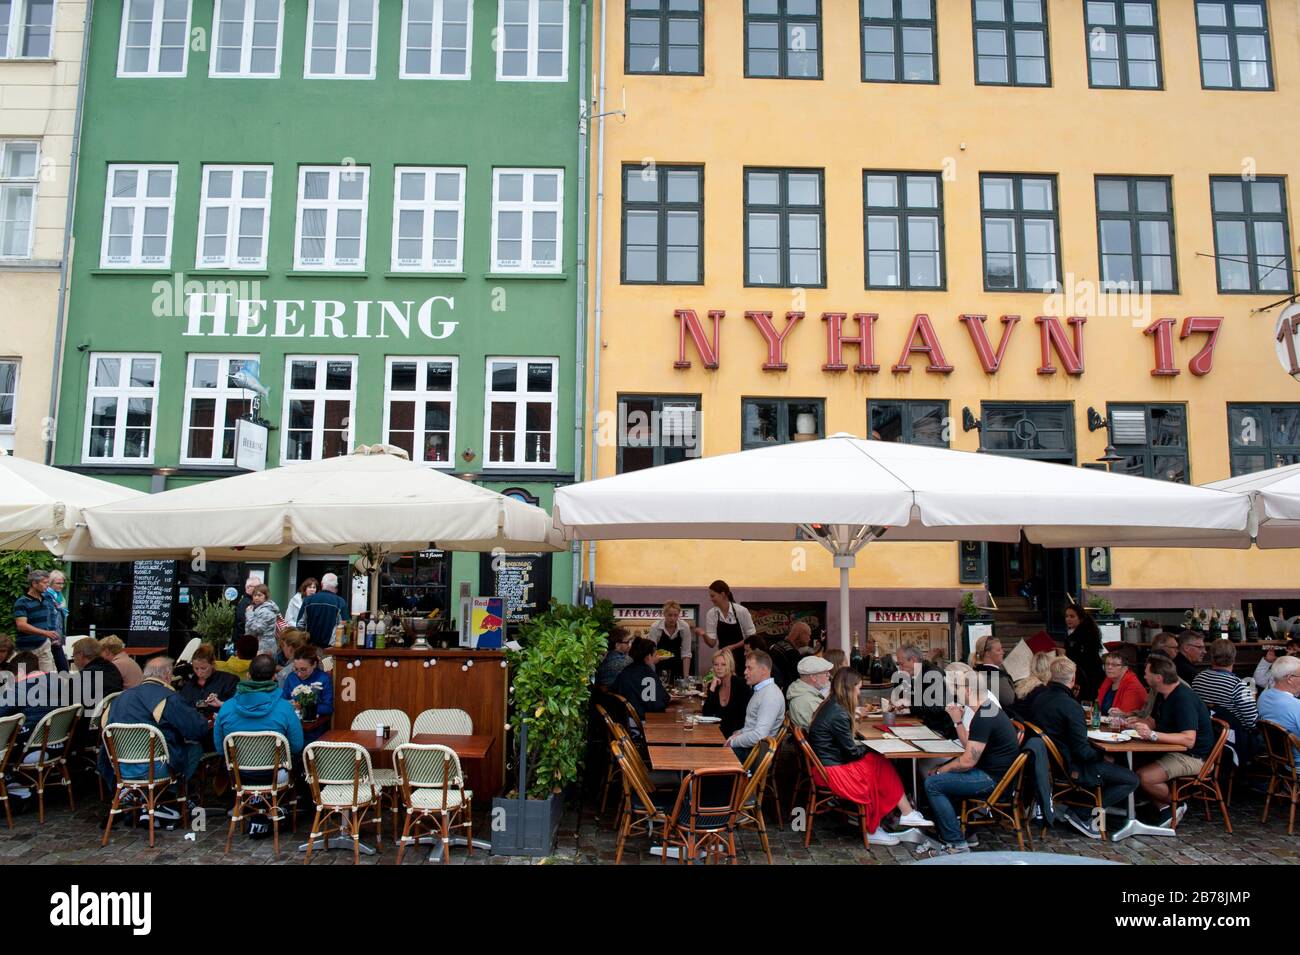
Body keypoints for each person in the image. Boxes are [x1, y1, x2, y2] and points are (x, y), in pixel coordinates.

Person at [807, 667, 932, 844]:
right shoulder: (839, 713)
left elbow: (847, 748)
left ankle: (901, 815)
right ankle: (881, 824)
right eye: (858, 688)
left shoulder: (832, 705)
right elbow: (852, 753)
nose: (859, 693)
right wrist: (872, 747)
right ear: (850, 688)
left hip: (828, 765)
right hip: (832, 772)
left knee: (878, 762)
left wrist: (870, 748)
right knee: (878, 763)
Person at [1028, 657, 1139, 838]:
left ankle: (1075, 807)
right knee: (1131, 779)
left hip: (1049, 764)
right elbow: (1082, 752)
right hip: (1070, 768)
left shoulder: (1039, 698)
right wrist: (1101, 754)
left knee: (1114, 767)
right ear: (1073, 679)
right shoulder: (1071, 706)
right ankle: (1083, 813)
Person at [922, 662, 1021, 854]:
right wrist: (958, 721)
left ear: (968, 691)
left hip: (993, 780)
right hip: (993, 773)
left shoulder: (984, 716)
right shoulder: (986, 710)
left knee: (933, 783)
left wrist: (941, 770)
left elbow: (968, 761)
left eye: (956, 689)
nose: (954, 693)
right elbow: (971, 747)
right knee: (939, 777)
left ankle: (956, 843)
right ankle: (957, 833)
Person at [97, 657, 206, 821]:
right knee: (194, 748)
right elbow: (197, 729)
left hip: (120, 768)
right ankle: (166, 798)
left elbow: (105, 734)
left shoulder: (119, 699)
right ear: (167, 676)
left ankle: (137, 795)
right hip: (155, 768)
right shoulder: (166, 698)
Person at [214, 653, 305, 839]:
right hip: (275, 774)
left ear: (248, 675)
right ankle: (280, 808)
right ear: (274, 677)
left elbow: (219, 748)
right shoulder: (284, 708)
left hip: (240, 774)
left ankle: (257, 806)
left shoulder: (227, 707)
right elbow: (297, 746)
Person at [1123, 655, 1215, 827]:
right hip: (1173, 749)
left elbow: (1189, 739)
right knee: (1129, 765)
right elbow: (1154, 721)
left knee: (1145, 777)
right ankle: (1164, 808)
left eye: (1147, 673)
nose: (1144, 676)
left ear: (1158, 677)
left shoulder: (1183, 699)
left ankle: (1175, 805)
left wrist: (1153, 735)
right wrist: (1136, 723)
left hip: (1194, 756)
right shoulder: (1162, 694)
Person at [726, 650, 785, 763]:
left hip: (754, 756)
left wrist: (732, 742)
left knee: (709, 758)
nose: (745, 672)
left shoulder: (770, 695)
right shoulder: (762, 690)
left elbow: (759, 735)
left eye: (749, 668)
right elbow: (753, 725)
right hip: (751, 751)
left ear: (763, 670)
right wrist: (741, 732)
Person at [1191, 639, 1258, 730]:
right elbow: (1253, 722)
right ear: (1234, 658)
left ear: (1211, 657)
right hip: (1233, 734)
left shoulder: (1198, 679)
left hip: (1205, 730)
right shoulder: (1238, 685)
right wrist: (1252, 699)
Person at [895, 643, 956, 739]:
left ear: (913, 660)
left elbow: (938, 706)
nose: (900, 669)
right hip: (924, 725)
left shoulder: (933, 674)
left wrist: (910, 705)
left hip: (941, 731)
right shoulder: (916, 672)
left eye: (901, 664)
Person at [694, 580, 755, 674]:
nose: (710, 599)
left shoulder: (741, 611)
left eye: (713, 596)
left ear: (722, 594)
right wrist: (703, 634)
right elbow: (712, 643)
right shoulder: (712, 614)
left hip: (743, 657)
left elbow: (752, 637)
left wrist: (733, 647)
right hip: (724, 660)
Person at [281, 645, 334, 745]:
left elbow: (328, 707)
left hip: (315, 730)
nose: (299, 674)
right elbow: (282, 701)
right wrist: (289, 704)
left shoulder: (323, 679)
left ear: (314, 665)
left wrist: (304, 707)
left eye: (303, 669)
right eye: (296, 669)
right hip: (293, 727)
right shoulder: (291, 677)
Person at [12, 569, 59, 673]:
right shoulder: (22, 602)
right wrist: (45, 633)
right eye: (45, 582)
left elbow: (51, 618)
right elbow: (21, 625)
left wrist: (51, 634)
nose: (48, 585)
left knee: (50, 677)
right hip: (26, 648)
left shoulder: (46, 599)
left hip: (44, 645)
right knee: (24, 679)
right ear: (34, 583)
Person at [611, 637, 670, 720]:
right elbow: (661, 701)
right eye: (654, 654)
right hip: (646, 720)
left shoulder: (624, 672)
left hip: (626, 720)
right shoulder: (649, 675)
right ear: (648, 656)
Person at [1258, 655, 1300, 764]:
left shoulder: (1263, 697)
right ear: (1290, 678)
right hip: (1297, 764)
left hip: (1279, 761)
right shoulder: (1296, 706)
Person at [702, 649, 751, 738]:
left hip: (737, 736)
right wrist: (712, 689)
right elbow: (706, 715)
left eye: (723, 664)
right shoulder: (714, 685)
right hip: (716, 734)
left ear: (730, 666)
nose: (719, 668)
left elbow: (746, 717)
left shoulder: (741, 684)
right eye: (716, 664)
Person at [177, 644, 239, 712]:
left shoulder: (229, 681)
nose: (199, 673)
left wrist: (220, 704)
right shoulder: (189, 684)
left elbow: (237, 706)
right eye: (196, 668)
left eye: (203, 668)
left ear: (212, 664)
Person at [1063, 603, 1105, 702]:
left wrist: (1065, 653)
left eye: (1072, 616)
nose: (1068, 619)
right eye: (1066, 616)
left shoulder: (1085, 635)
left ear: (1080, 619)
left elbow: (1084, 658)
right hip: (1086, 676)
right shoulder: (1078, 633)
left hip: (1088, 678)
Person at [299, 572, 350, 649]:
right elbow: (345, 626)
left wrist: (303, 644)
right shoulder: (340, 602)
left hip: (310, 648)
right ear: (336, 586)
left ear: (322, 584)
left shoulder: (308, 600)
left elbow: (300, 625)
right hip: (331, 649)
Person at [647, 601, 691, 682]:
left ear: (679, 615)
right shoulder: (655, 627)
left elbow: (686, 653)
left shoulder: (684, 627)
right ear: (664, 614)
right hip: (660, 664)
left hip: (677, 664)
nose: (673, 618)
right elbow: (651, 652)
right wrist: (651, 674)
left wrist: (686, 677)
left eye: (675, 615)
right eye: (670, 615)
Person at [970, 635, 1016, 712]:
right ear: (987, 653)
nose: (1002, 652)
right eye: (998, 650)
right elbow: (1009, 701)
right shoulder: (993, 676)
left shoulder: (975, 672)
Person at [786, 655, 833, 730]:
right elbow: (827, 728)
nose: (829, 675)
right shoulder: (806, 701)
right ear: (813, 677)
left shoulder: (802, 691)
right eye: (826, 673)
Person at [1097, 652, 1148, 718]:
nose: (1109, 667)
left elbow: (1126, 716)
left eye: (1114, 665)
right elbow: (1098, 705)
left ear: (1125, 668)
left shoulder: (1133, 686)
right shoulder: (1109, 680)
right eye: (1107, 664)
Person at [767, 622, 808, 692]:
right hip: (785, 691)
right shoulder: (792, 653)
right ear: (802, 635)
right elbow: (798, 678)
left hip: (772, 687)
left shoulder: (776, 645)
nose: (809, 639)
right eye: (808, 635)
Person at [243, 583, 281, 656]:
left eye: (259, 595)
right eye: (254, 595)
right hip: (260, 645)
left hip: (264, 647)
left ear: (266, 596)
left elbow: (256, 629)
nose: (256, 598)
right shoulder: (257, 608)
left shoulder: (266, 611)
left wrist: (249, 614)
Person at [45, 569, 70, 672]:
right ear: (51, 583)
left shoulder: (59, 597)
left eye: (62, 583)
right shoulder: (47, 596)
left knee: (61, 666)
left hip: (57, 634)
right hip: (49, 635)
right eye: (58, 583)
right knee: (61, 667)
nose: (61, 586)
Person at [232, 576, 258, 644]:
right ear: (248, 587)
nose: (259, 589)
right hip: (244, 642)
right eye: (257, 587)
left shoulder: (250, 602)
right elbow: (244, 623)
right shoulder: (246, 603)